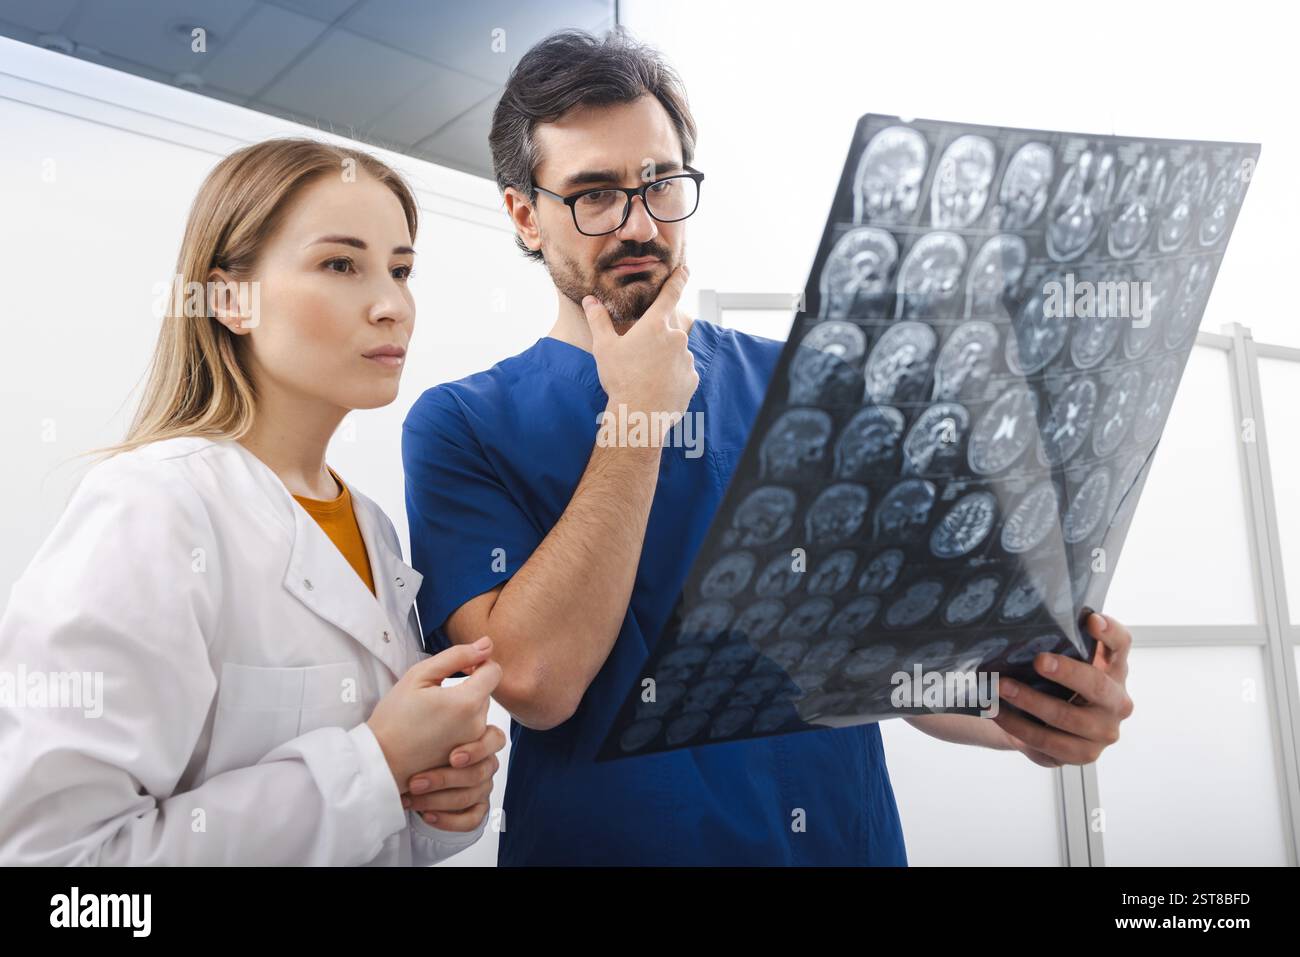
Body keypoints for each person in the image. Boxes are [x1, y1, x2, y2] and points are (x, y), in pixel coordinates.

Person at [402, 29, 1136, 866]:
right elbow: (536, 681)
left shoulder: (807, 383)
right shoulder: (460, 424)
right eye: (594, 194)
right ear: (524, 215)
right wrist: (638, 416)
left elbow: (894, 661)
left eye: (660, 184)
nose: (639, 223)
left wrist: (1031, 713)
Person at [0, 137, 505, 866]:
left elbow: (378, 826)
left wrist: (439, 797)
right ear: (230, 298)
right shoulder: (154, 507)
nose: (393, 305)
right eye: (341, 264)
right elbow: (59, 867)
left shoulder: (372, 528)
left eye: (401, 269)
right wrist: (374, 764)